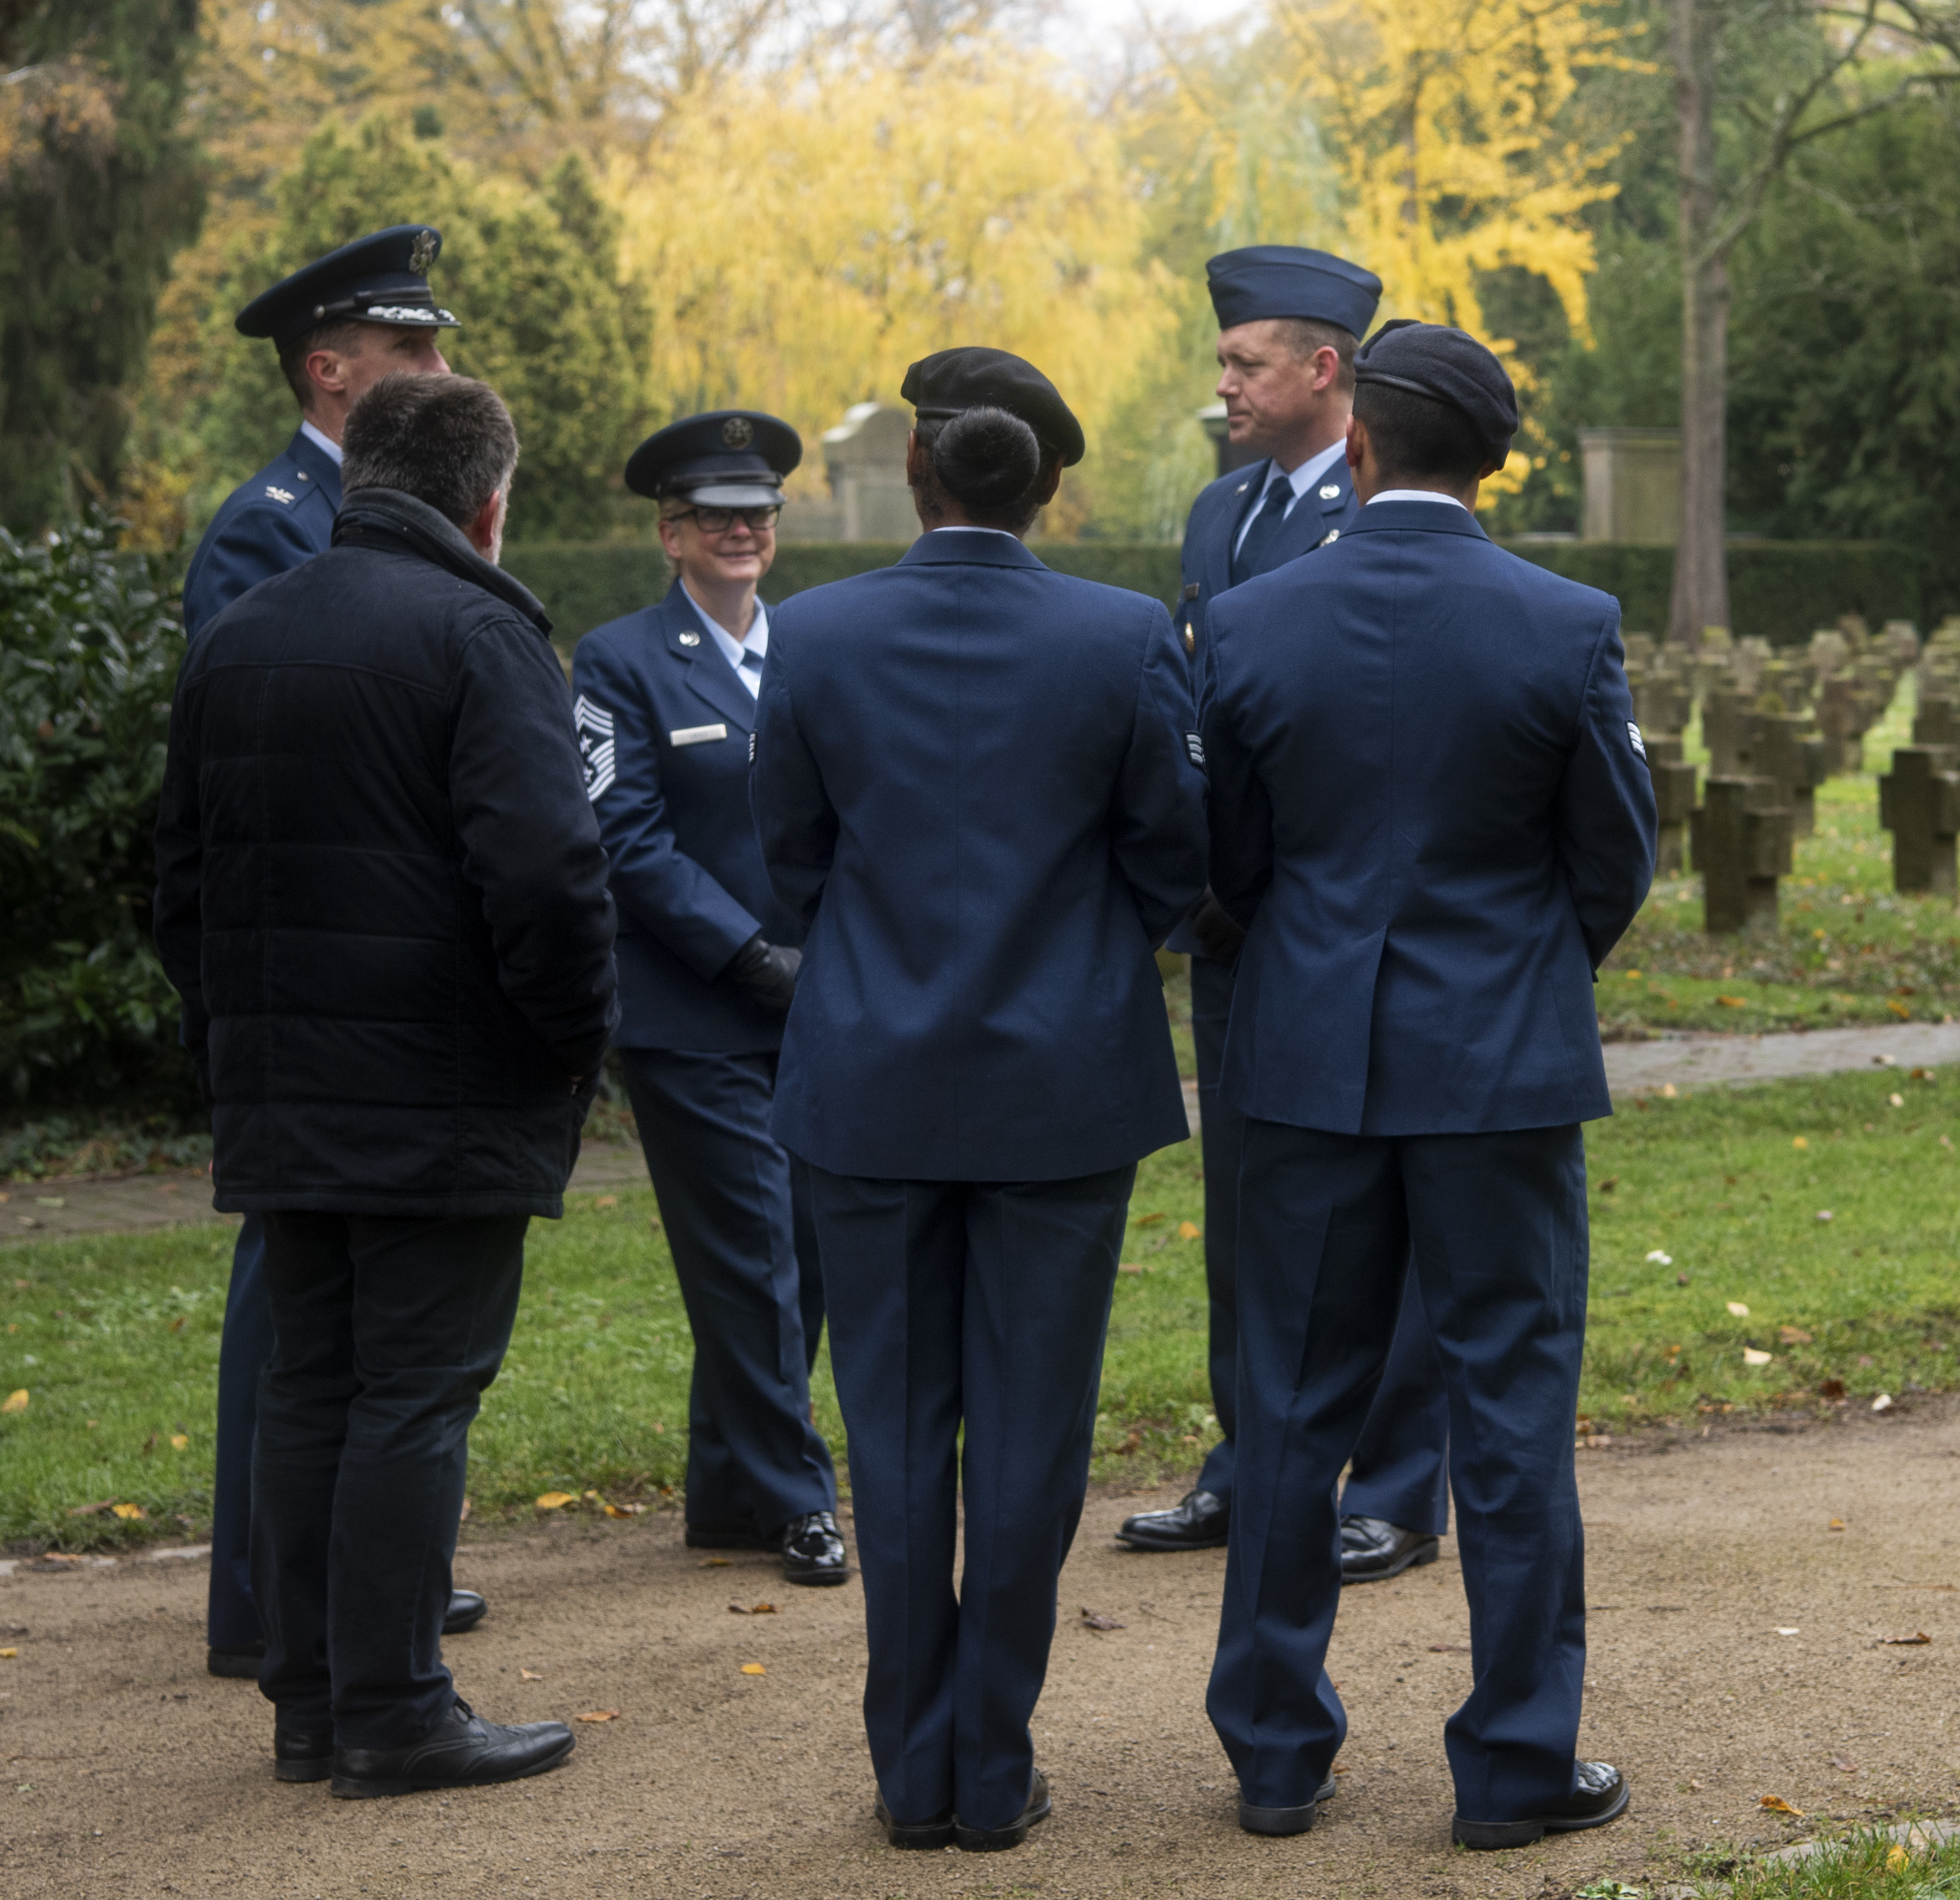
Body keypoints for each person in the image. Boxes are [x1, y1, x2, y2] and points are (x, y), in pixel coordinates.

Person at [1196, 321, 1655, 1849]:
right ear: (1492, 462)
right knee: (1510, 1416)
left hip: (1311, 1065)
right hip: (1501, 1071)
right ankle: (1516, 1766)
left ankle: (1274, 1750)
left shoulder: (1255, 622)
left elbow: (1235, 866)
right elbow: (1614, 857)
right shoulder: (1566, 619)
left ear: (1366, 442)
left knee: (1289, 1407)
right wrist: (1520, 971)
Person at [751, 347, 1205, 1852]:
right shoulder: (1125, 632)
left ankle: (910, 1764)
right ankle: (991, 1763)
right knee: (1030, 1436)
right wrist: (1082, 955)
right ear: (1046, 494)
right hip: (1059, 1085)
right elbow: (1173, 854)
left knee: (888, 1431)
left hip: (869, 1075)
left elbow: (790, 857)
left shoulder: (810, 633)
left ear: (911, 481)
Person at [154, 372, 617, 1797]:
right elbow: (547, 874)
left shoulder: (239, 633)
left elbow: (181, 888)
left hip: (286, 1081)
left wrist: (240, 1038)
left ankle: (314, 1706)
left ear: (360, 478)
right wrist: (564, 1040)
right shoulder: (483, 634)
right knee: (413, 1392)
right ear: (490, 503)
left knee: (314, 1384)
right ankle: (397, 1707)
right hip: (441, 1084)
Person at [176, 224, 490, 1681]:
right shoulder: (269, 525)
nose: (438, 366)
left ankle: (361, 1569)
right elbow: (254, 764)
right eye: (411, 352)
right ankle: (265, 1595)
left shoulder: (376, 502)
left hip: (373, 969)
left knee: (336, 1318)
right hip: (321, 976)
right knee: (292, 1313)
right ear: (330, 368)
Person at [1117, 245, 1453, 1587]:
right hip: (1236, 922)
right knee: (1250, 1203)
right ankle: (1251, 1463)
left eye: (1246, 362)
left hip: (1353, 919)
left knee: (1391, 1206)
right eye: (1224, 361)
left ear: (1327, 370)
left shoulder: (1392, 501)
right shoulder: (1223, 514)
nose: (1227, 384)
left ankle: (1397, 1485)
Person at [569, 413, 847, 1588]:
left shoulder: (821, 650)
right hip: (698, 1015)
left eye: (761, 513)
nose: (744, 530)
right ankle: (801, 1500)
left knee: (803, 1255)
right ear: (671, 534)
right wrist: (747, 958)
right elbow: (621, 839)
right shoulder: (620, 660)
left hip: (821, 1008)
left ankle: (731, 1494)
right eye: (717, 515)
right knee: (752, 1259)